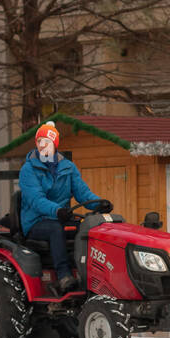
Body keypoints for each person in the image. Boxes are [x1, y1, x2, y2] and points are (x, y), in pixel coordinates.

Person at [19, 121, 106, 293]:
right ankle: (64, 275)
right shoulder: (28, 170)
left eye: (47, 143)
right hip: (37, 220)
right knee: (55, 229)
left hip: (62, 216)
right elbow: (36, 200)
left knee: (88, 228)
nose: (43, 146)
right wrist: (57, 211)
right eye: (40, 142)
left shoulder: (68, 167)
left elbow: (83, 193)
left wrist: (100, 203)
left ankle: (90, 272)